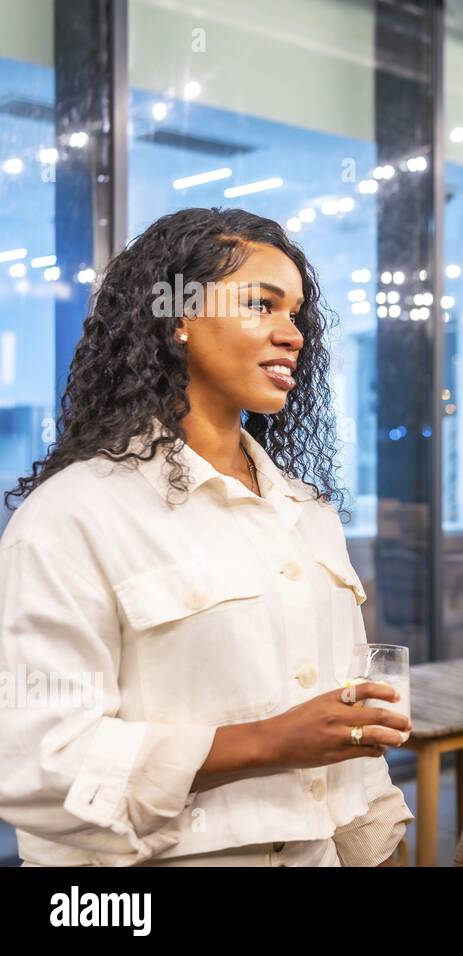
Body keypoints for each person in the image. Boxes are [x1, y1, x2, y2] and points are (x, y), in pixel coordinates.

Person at [0, 207, 412, 866]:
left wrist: (379, 848)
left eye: (296, 314)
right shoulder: (72, 518)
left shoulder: (306, 514)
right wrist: (264, 742)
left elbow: (349, 749)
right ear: (177, 317)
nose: (293, 334)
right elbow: (33, 762)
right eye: (262, 305)